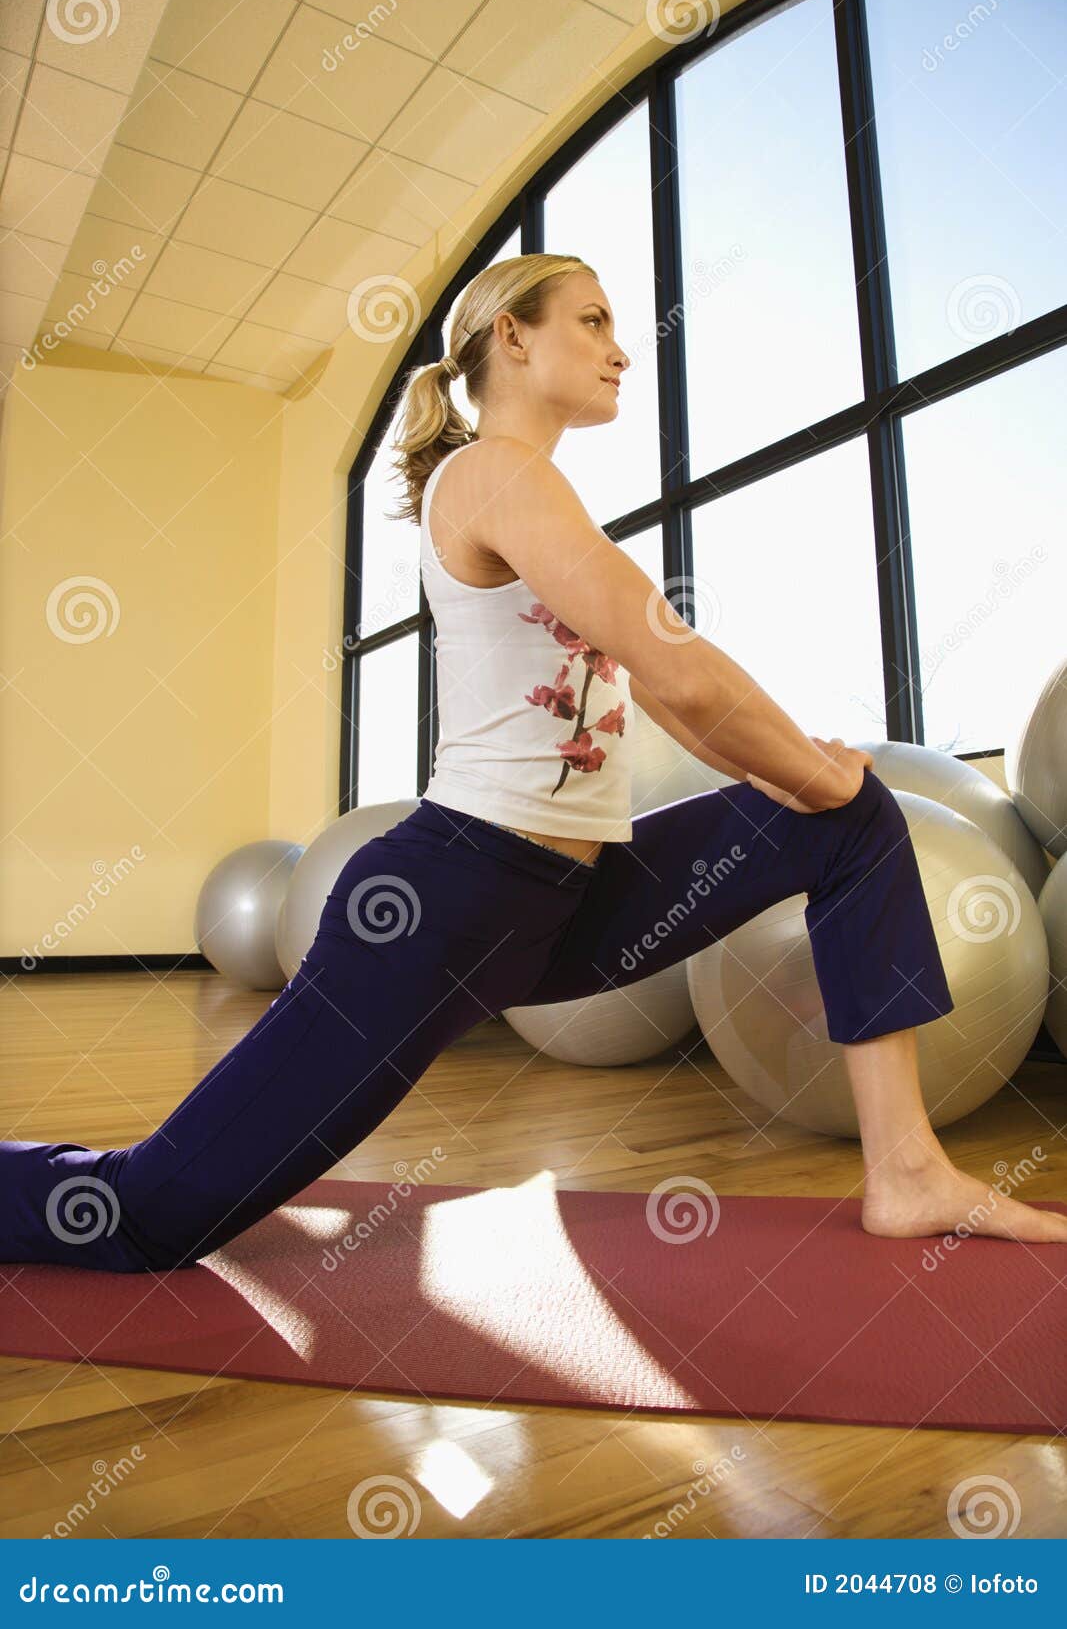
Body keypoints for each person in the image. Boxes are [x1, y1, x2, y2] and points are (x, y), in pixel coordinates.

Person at [3, 253, 1064, 1273]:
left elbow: (667, 699)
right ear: (509, 336)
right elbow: (678, 668)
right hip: (440, 907)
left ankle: (908, 1171)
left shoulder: (533, 491)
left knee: (853, 823)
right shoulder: (488, 476)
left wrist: (806, 784)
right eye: (592, 321)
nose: (621, 350)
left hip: (566, 902)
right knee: (144, 1218)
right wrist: (813, 769)